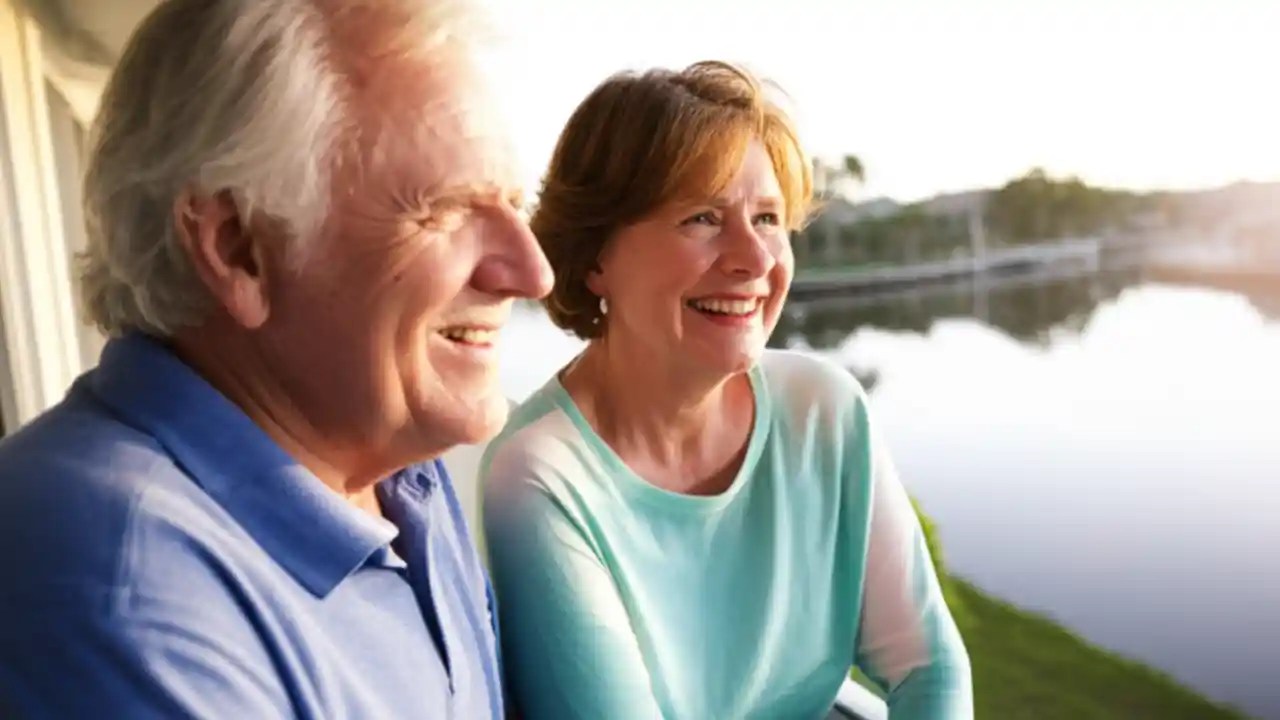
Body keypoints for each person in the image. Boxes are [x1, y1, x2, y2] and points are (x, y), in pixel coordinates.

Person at [0, 0, 551, 717]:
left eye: (516, 204)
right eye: (443, 210)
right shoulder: (119, 583)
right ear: (238, 250)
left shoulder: (388, 460)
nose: (532, 272)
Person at [481, 61, 973, 719]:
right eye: (704, 217)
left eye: (768, 217)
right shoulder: (541, 479)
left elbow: (930, 669)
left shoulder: (824, 411)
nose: (756, 259)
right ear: (595, 255)